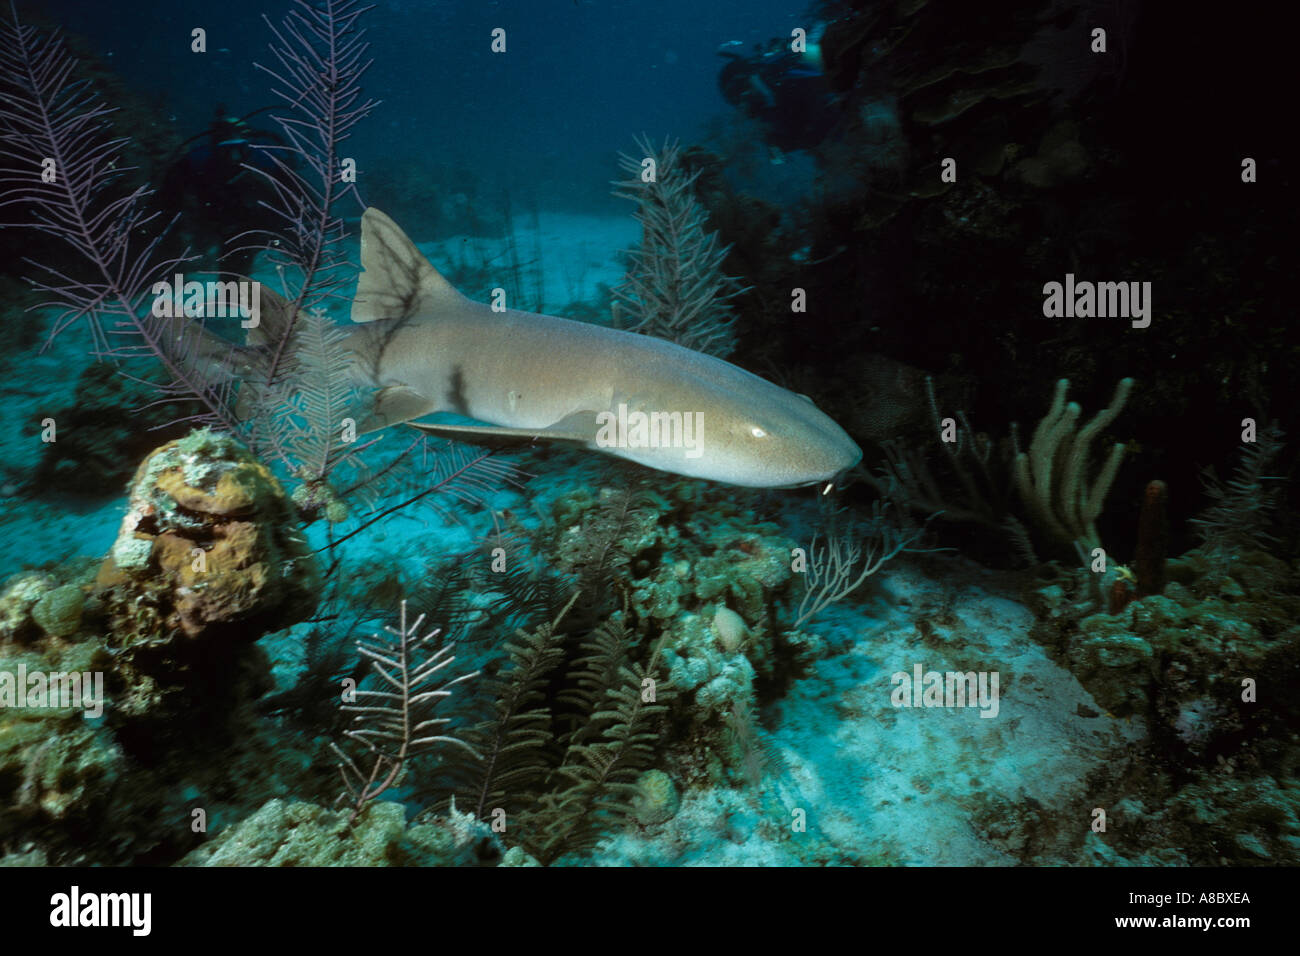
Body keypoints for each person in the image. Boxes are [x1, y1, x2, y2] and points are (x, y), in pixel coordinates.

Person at [156, 106, 287, 274]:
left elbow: (292, 190)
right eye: (226, 149)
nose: (234, 156)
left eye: (239, 148)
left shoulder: (262, 159)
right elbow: (168, 197)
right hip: (215, 225)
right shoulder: (197, 161)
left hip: (256, 223)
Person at [717, 33, 841, 156]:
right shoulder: (769, 102)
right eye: (738, 101)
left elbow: (821, 107)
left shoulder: (783, 76)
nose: (745, 100)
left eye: (743, 92)